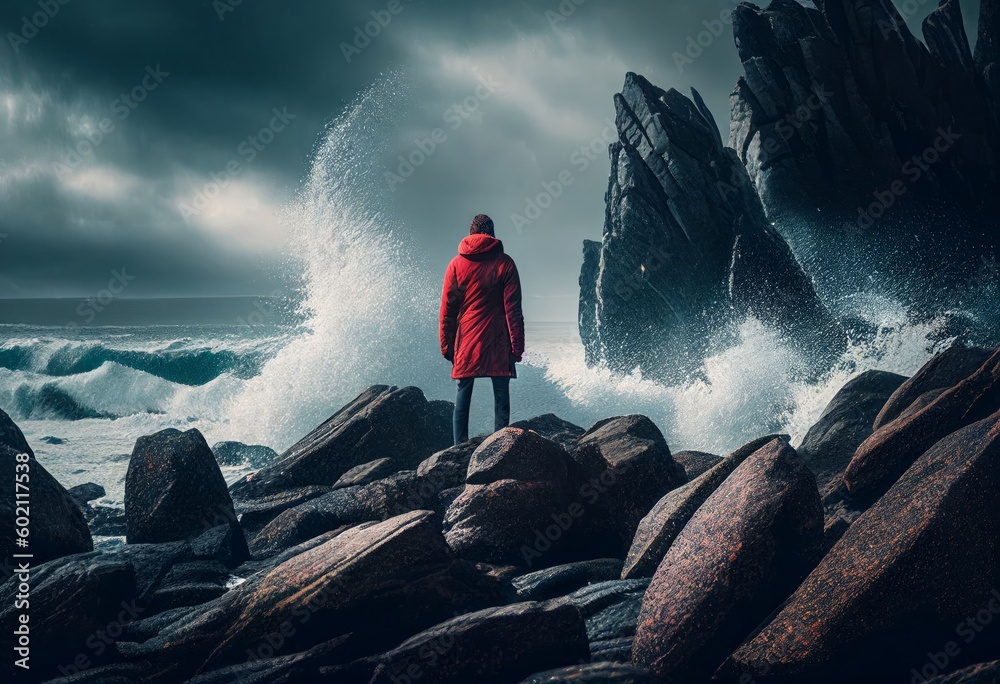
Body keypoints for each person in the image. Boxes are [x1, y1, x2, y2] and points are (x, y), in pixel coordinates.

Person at [439, 214, 525, 445]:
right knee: (501, 396)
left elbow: (448, 311)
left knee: (463, 396)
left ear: (470, 234)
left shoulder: (456, 265)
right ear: (492, 233)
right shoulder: (505, 263)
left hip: (467, 339)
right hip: (498, 339)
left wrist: (446, 345)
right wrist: (517, 347)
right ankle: (499, 447)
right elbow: (513, 311)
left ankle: (458, 447)